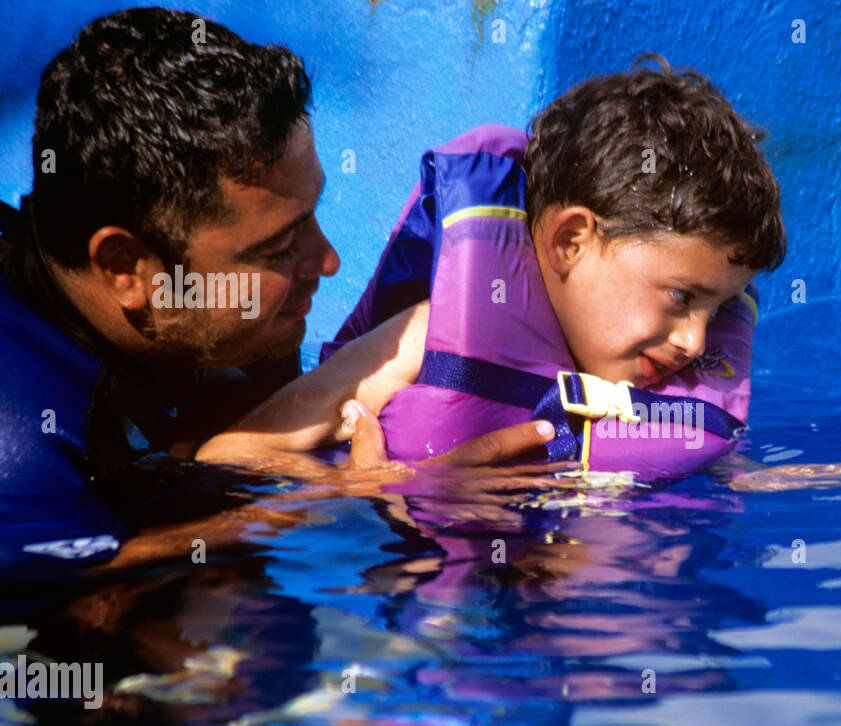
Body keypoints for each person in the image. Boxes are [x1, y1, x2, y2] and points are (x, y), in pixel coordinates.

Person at [0, 7, 556, 581]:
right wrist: (343, 501)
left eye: (311, 217)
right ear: (126, 269)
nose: (329, 262)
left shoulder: (235, 325)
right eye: (278, 249)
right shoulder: (18, 453)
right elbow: (68, 605)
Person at [196, 56, 786, 479]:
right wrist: (367, 491)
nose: (696, 341)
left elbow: (735, 470)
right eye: (682, 297)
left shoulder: (681, 410)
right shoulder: (422, 338)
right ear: (572, 242)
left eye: (718, 308)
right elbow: (230, 456)